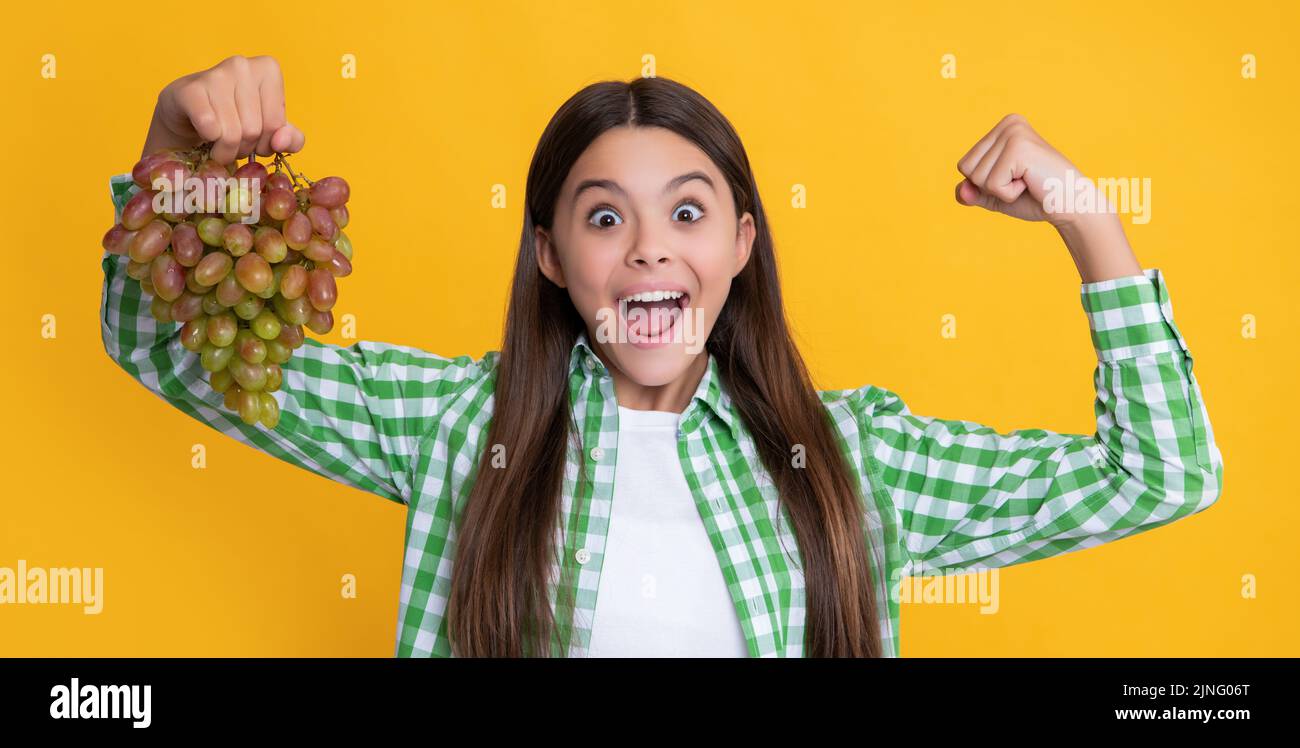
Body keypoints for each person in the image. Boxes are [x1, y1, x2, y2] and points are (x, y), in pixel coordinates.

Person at [100, 55, 1223, 658]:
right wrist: (175, 159)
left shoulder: (853, 461)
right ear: (548, 256)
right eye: (602, 219)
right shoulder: (459, 426)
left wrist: (1085, 213)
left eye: (688, 214)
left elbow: (1160, 475)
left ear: (740, 244)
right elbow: (169, 348)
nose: (647, 249)